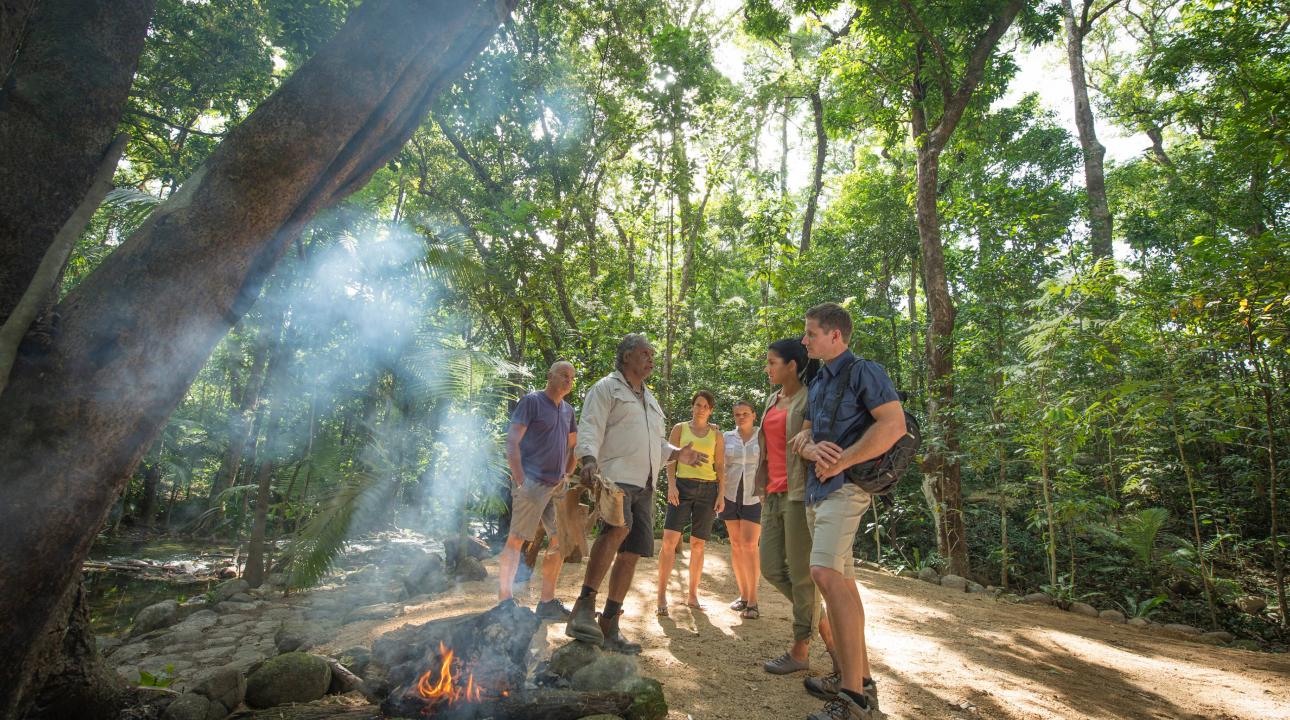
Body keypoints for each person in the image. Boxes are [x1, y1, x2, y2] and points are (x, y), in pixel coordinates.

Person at [792, 303, 906, 720]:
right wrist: (810, 447)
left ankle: (852, 698)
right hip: (816, 493)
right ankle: (863, 682)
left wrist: (843, 460)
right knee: (844, 583)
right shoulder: (818, 379)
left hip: (847, 489)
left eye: (811, 334)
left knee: (823, 573)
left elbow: (894, 426)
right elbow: (800, 439)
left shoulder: (866, 372)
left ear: (836, 335)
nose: (805, 341)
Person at [567, 334, 708, 653]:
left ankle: (610, 623)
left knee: (632, 551)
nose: (651, 358)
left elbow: (656, 444)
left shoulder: (650, 399)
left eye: (652, 353)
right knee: (617, 529)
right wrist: (587, 460)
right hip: (615, 475)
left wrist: (677, 454)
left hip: (645, 481)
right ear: (626, 356)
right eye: (645, 353)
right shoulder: (607, 388)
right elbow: (590, 426)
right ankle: (583, 608)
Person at [757, 339, 838, 674]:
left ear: (792, 365)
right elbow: (765, 448)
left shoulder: (810, 398)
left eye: (772, 362)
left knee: (803, 577)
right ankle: (824, 625)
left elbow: (812, 442)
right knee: (771, 568)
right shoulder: (772, 399)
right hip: (772, 494)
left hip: (798, 493)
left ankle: (800, 648)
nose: (767, 368)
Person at [497, 361, 578, 620]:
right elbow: (512, 441)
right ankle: (504, 601)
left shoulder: (568, 410)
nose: (568, 380)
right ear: (549, 376)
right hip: (531, 483)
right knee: (517, 539)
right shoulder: (531, 402)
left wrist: (567, 473)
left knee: (559, 541)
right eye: (564, 375)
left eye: (572, 377)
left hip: (556, 487)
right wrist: (520, 478)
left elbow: (573, 446)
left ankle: (547, 601)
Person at [656, 391, 726, 615]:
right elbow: (669, 457)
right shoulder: (680, 428)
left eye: (705, 406)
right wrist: (672, 485)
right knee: (669, 541)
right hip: (682, 487)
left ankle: (692, 595)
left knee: (698, 544)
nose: (701, 409)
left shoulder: (716, 434)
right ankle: (661, 597)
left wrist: (721, 493)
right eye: (697, 404)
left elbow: (721, 466)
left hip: (708, 489)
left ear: (711, 410)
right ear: (692, 407)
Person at [720, 400, 762, 619]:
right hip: (730, 494)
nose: (741, 417)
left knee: (749, 545)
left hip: (755, 496)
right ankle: (743, 595)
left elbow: (769, 463)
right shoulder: (726, 437)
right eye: (737, 414)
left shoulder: (762, 435)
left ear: (754, 415)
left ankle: (753, 601)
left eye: (745, 413)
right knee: (736, 545)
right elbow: (720, 466)